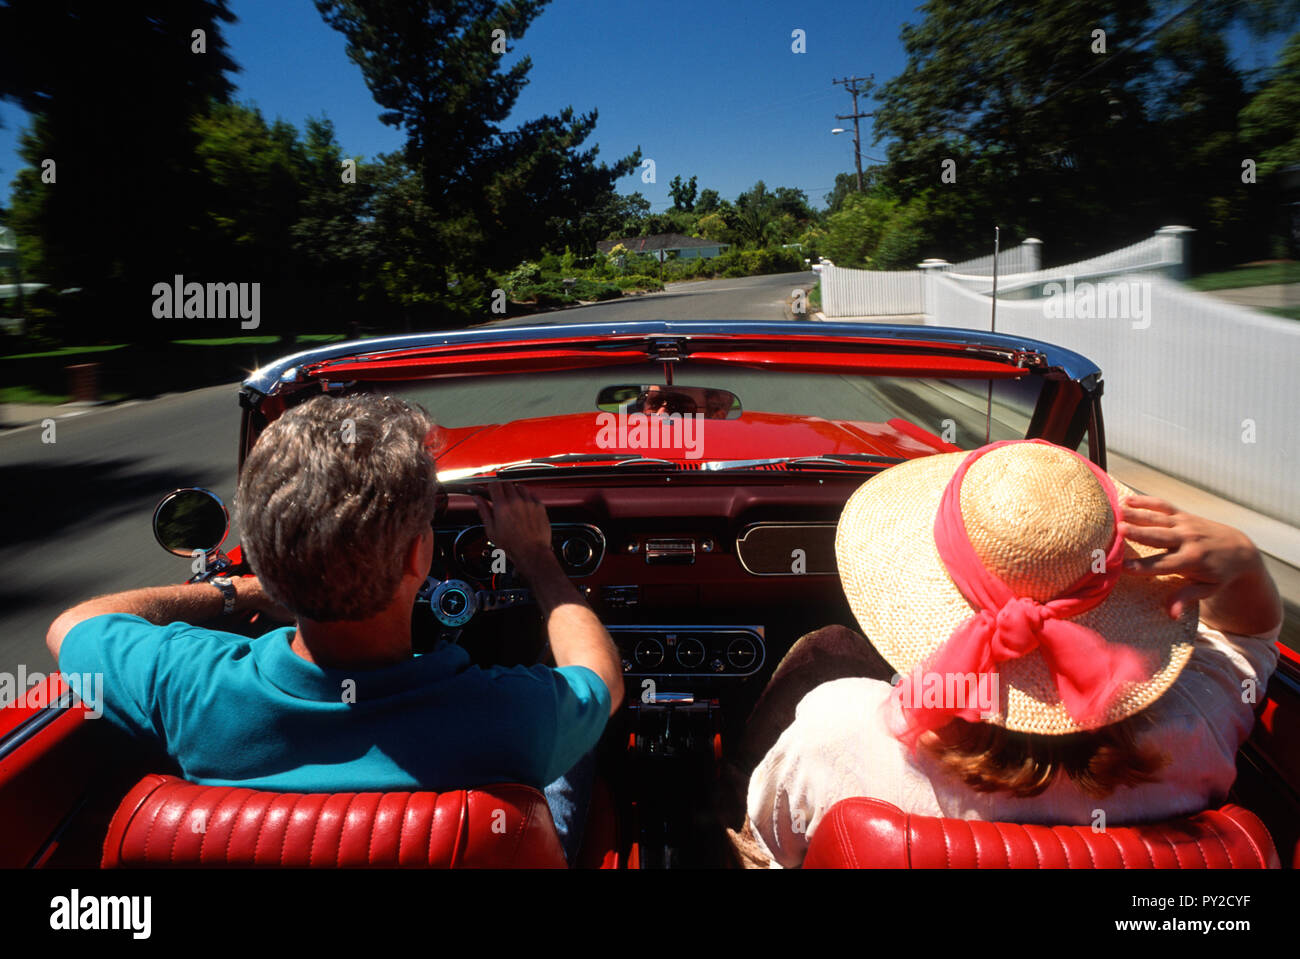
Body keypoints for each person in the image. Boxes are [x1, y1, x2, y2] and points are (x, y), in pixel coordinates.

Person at [45, 393, 624, 866]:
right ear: (418, 558)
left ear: (267, 563)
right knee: (576, 742)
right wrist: (539, 559)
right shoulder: (516, 715)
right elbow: (599, 677)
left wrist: (238, 590)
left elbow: (73, 623)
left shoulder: (187, 685)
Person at [731, 439, 1282, 868]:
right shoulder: (1198, 726)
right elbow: (1249, 640)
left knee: (826, 649)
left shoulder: (841, 727)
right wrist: (1246, 559)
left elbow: (769, 843)